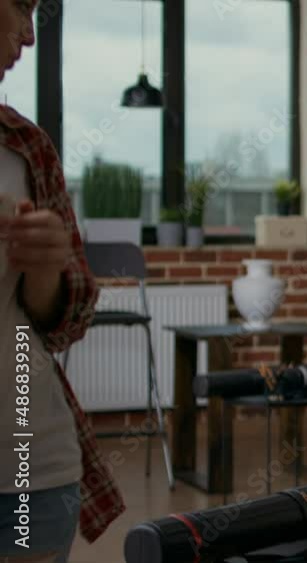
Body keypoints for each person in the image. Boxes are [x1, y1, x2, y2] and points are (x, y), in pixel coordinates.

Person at [0, 2, 125, 561]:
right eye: (18, 7)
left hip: (28, 477)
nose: (28, 37)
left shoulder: (26, 147)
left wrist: (46, 269)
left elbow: (63, 324)